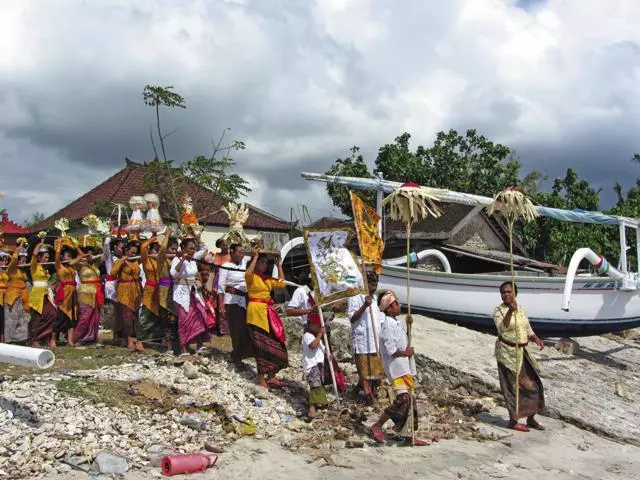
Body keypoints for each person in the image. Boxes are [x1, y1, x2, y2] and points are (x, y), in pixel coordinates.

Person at [370, 290, 428, 446]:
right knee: (402, 400)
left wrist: (409, 326)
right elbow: (391, 350)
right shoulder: (387, 326)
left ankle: (409, 436)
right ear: (389, 308)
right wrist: (406, 352)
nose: (399, 306)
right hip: (395, 369)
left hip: (404, 367)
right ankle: (377, 425)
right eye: (396, 304)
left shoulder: (395, 323)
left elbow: (403, 341)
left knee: (410, 402)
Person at [494, 281, 546, 432]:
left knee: (534, 385)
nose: (506, 295)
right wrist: (510, 311)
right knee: (512, 387)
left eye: (509, 292)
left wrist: (535, 337)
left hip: (523, 352)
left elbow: (526, 327)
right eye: (503, 292)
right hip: (507, 353)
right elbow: (501, 329)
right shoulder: (499, 311)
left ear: (515, 293)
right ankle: (513, 420)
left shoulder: (521, 309)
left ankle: (531, 418)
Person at [245, 247, 288, 388]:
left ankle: (272, 375)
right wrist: (255, 257)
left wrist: (279, 265)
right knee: (261, 347)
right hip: (256, 314)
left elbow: (282, 283)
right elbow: (249, 272)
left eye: (265, 262)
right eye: (261, 262)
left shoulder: (267, 279)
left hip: (268, 314)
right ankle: (261, 378)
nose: (264, 265)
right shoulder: (252, 277)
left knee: (275, 343)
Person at [348, 270, 384, 404]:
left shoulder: (374, 299)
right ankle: (369, 396)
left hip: (374, 340)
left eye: (375, 285)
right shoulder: (356, 296)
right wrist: (364, 305)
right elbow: (352, 318)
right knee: (364, 370)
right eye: (371, 284)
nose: (373, 288)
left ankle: (360, 391)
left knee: (374, 370)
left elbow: (379, 320)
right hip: (362, 341)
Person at [170, 237, 210, 355]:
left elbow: (204, 249)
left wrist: (196, 238)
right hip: (182, 294)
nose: (192, 250)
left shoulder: (193, 259)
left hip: (194, 293)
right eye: (190, 248)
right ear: (183, 248)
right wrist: (182, 259)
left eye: (193, 248)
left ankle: (199, 345)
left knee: (202, 315)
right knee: (184, 320)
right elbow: (174, 275)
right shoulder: (176, 259)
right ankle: (183, 348)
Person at [217, 243, 253, 365]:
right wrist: (221, 303)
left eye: (243, 252)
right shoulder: (225, 266)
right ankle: (237, 356)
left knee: (245, 329)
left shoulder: (245, 263)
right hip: (231, 300)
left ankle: (240, 353)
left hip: (245, 300)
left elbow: (253, 253)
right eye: (239, 252)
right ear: (232, 252)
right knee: (236, 329)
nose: (242, 254)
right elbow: (221, 285)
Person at [111, 238, 143, 351]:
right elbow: (113, 273)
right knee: (127, 316)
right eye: (132, 252)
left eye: (135, 252)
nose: (133, 254)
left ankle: (136, 339)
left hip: (135, 290)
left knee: (135, 316)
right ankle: (128, 339)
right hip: (124, 290)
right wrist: (121, 261)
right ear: (126, 251)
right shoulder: (119, 260)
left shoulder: (135, 261)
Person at [28, 243, 57, 347]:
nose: (47, 260)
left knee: (52, 315)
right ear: (39, 258)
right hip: (37, 296)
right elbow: (34, 254)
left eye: (48, 258)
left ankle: (46, 338)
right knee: (37, 319)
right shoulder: (34, 266)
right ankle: (34, 340)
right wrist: (40, 244)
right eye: (45, 258)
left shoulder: (46, 269)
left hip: (46, 295)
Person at [74, 244, 104, 345]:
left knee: (95, 316)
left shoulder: (95, 265)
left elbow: (105, 255)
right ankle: (77, 338)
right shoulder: (80, 265)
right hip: (84, 292)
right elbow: (71, 263)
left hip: (96, 291)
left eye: (91, 253)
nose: (89, 255)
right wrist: (80, 256)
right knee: (85, 316)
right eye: (87, 253)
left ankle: (91, 338)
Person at [138, 234, 164, 343]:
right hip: (149, 289)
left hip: (159, 289)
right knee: (146, 314)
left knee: (158, 314)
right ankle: (141, 338)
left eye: (158, 250)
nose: (157, 252)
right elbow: (143, 247)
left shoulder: (160, 260)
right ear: (150, 250)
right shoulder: (146, 260)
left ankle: (154, 338)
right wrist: (153, 238)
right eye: (155, 250)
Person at [54, 241, 80, 346]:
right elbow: (56, 258)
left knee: (72, 317)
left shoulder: (71, 266)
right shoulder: (59, 266)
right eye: (67, 256)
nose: (69, 258)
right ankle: (52, 340)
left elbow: (81, 256)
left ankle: (70, 341)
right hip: (65, 293)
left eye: (70, 256)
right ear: (62, 256)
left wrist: (75, 245)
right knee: (60, 317)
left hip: (73, 292)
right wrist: (59, 247)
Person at [302, 315, 328, 419]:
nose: (320, 327)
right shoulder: (307, 335)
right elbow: (312, 345)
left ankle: (319, 404)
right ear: (311, 325)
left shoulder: (316, 336)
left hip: (318, 365)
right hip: (311, 365)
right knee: (315, 387)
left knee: (319, 385)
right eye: (318, 325)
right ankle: (311, 410)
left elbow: (321, 349)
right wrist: (320, 334)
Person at [4, 245, 30, 343]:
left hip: (22, 296)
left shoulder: (22, 271)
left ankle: (21, 339)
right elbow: (13, 261)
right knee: (11, 318)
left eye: (25, 261)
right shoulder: (11, 270)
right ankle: (9, 340)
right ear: (17, 261)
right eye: (22, 261)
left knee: (22, 318)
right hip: (13, 296)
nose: (24, 263)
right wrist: (17, 252)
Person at [212, 237, 232, 335]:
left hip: (228, 281)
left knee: (227, 303)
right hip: (217, 281)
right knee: (217, 305)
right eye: (223, 245)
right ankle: (220, 327)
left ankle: (228, 328)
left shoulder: (231, 256)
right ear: (219, 246)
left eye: (226, 244)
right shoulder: (215, 255)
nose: (225, 246)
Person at [0, 250, 10, 342]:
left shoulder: (6, 272)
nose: (4, 262)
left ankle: (2, 340)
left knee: (3, 318)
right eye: (2, 260)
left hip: (5, 296)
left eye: (5, 260)